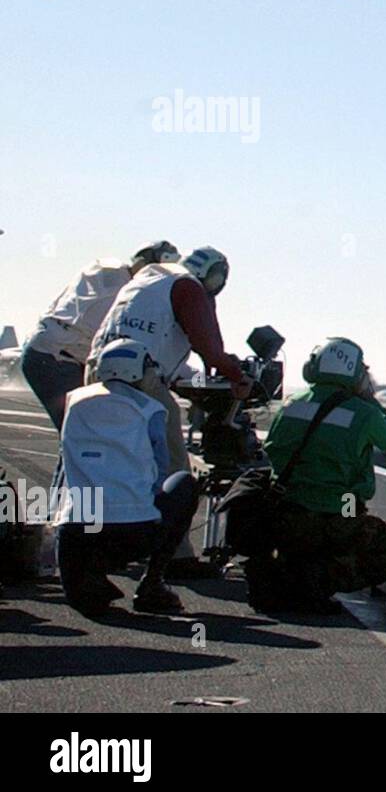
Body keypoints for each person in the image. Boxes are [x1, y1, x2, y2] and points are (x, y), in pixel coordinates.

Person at [246, 337, 386, 614]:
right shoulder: (363, 412)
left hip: (288, 511)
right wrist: (370, 399)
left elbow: (273, 451)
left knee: (311, 538)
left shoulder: (292, 404)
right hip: (342, 507)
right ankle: (322, 578)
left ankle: (295, 571)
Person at [55, 338, 199, 617]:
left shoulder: (73, 401)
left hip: (78, 529)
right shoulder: (151, 409)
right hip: (133, 531)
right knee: (183, 485)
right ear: (137, 370)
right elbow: (160, 469)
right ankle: (152, 582)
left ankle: (92, 571)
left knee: (86, 602)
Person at [88, 246, 252, 478]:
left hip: (96, 368)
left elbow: (160, 346)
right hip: (135, 375)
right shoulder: (188, 287)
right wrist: (237, 374)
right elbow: (210, 348)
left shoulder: (149, 278)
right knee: (172, 458)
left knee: (90, 448)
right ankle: (170, 505)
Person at [20, 241, 180, 431]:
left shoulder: (106, 271)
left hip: (47, 350)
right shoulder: (128, 289)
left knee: (80, 433)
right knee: (83, 431)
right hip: (59, 357)